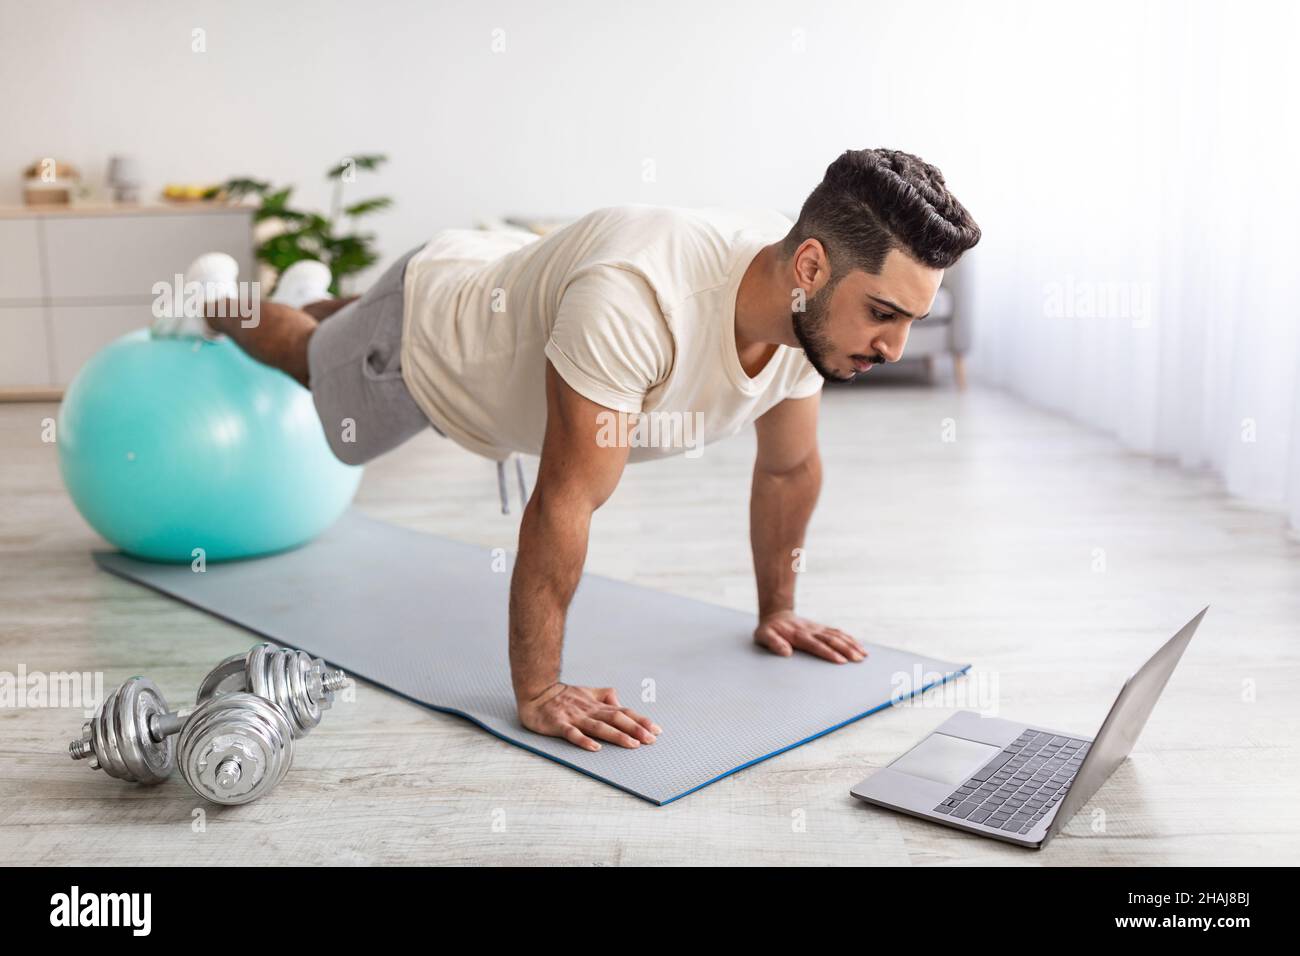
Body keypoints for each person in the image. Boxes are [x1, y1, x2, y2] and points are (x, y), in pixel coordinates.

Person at [166, 147, 981, 753]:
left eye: (910, 318)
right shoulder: (634, 303)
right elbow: (566, 497)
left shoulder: (804, 308)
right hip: (428, 340)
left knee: (339, 329)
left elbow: (789, 466)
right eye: (883, 313)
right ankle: (221, 299)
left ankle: (320, 301)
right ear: (811, 265)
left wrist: (778, 609)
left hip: (495, 279)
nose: (897, 347)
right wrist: (541, 689)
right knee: (312, 366)